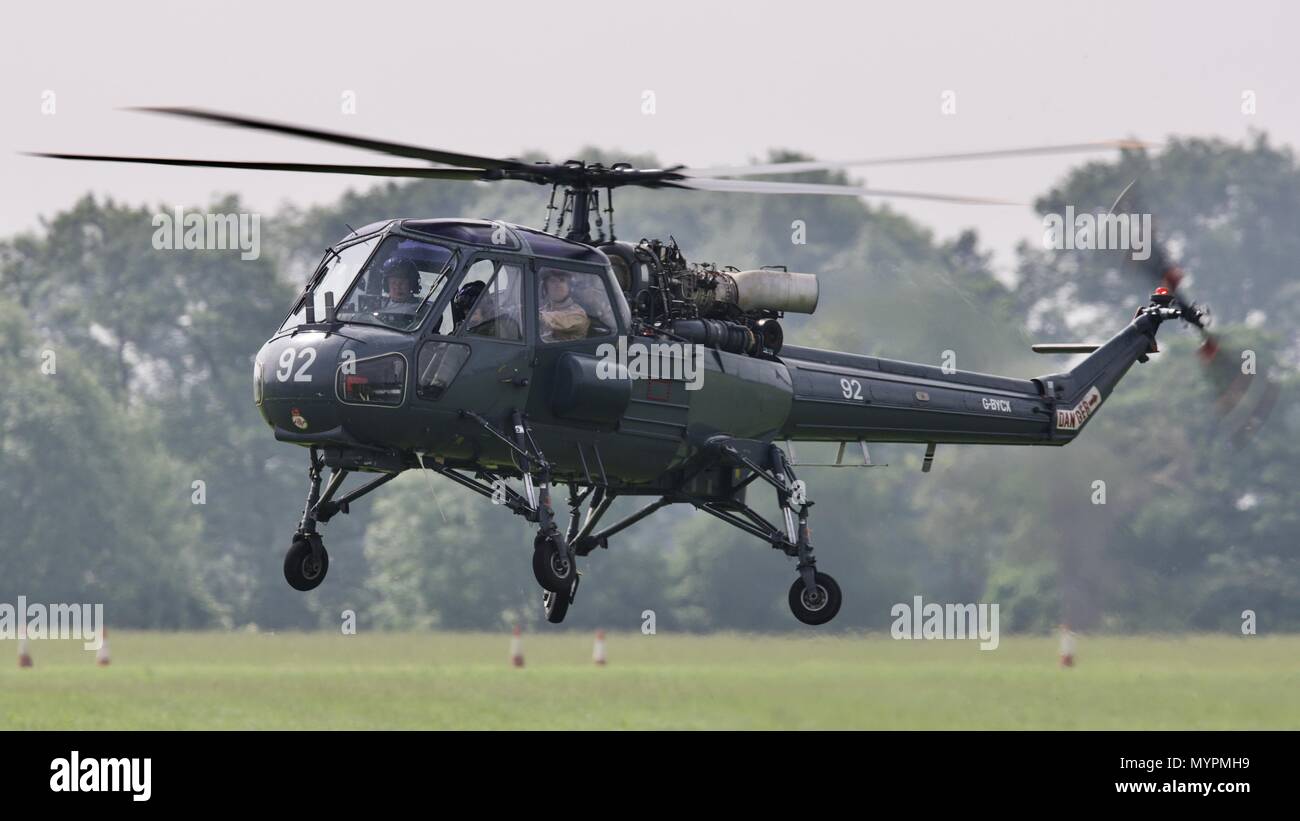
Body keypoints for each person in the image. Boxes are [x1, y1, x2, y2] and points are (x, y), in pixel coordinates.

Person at [538, 270, 590, 342]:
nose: (557, 285)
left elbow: (554, 319)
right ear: (545, 288)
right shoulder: (543, 310)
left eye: (562, 280)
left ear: (570, 287)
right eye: (553, 281)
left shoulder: (578, 314)